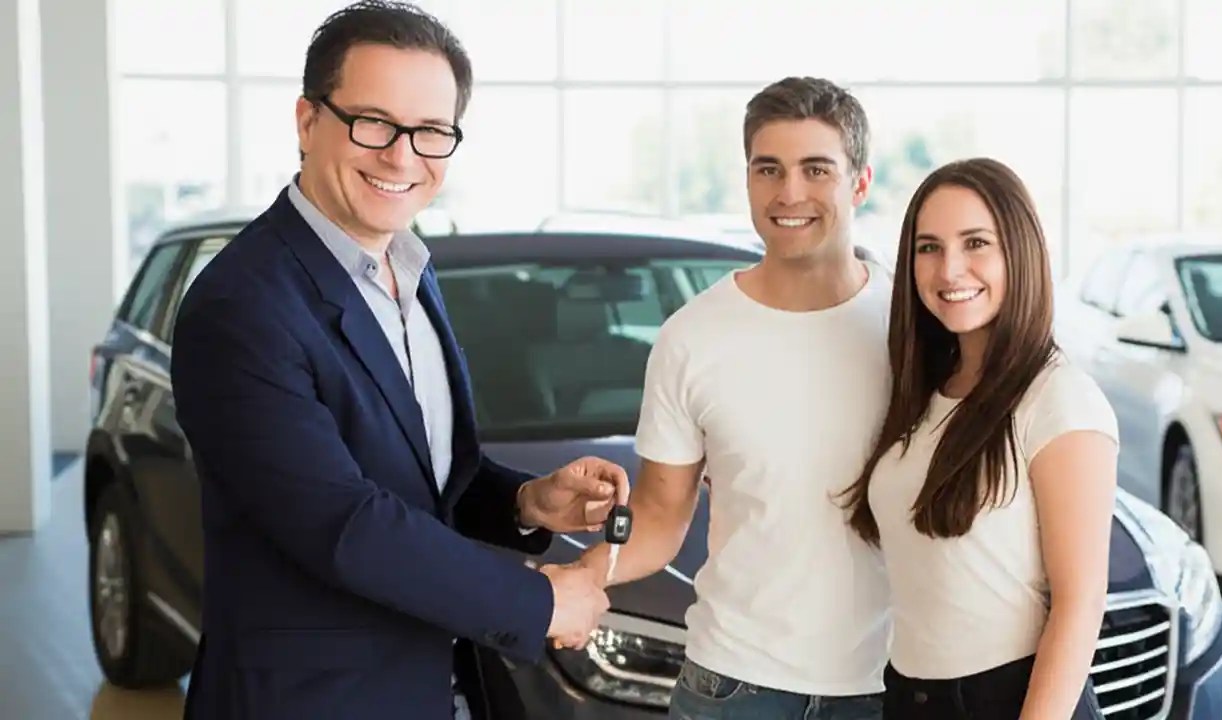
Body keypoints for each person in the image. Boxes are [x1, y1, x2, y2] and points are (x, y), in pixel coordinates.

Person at [169, 3, 624, 719]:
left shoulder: (409, 269)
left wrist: (524, 503)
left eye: (432, 132)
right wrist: (539, 601)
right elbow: (342, 522)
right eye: (373, 122)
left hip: (430, 688)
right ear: (306, 121)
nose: (402, 156)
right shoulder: (243, 304)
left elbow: (416, 477)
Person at [570, 77, 891, 720]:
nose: (789, 193)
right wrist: (580, 577)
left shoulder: (911, 328)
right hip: (736, 688)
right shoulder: (692, 337)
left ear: (859, 182)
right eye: (767, 169)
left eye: (815, 169)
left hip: (894, 683)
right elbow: (661, 518)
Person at [841, 158, 1118, 720]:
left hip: (1011, 699)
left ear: (1019, 252)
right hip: (910, 695)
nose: (950, 270)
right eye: (929, 247)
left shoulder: (1058, 397)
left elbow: (1080, 604)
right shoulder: (924, 391)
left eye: (975, 243)